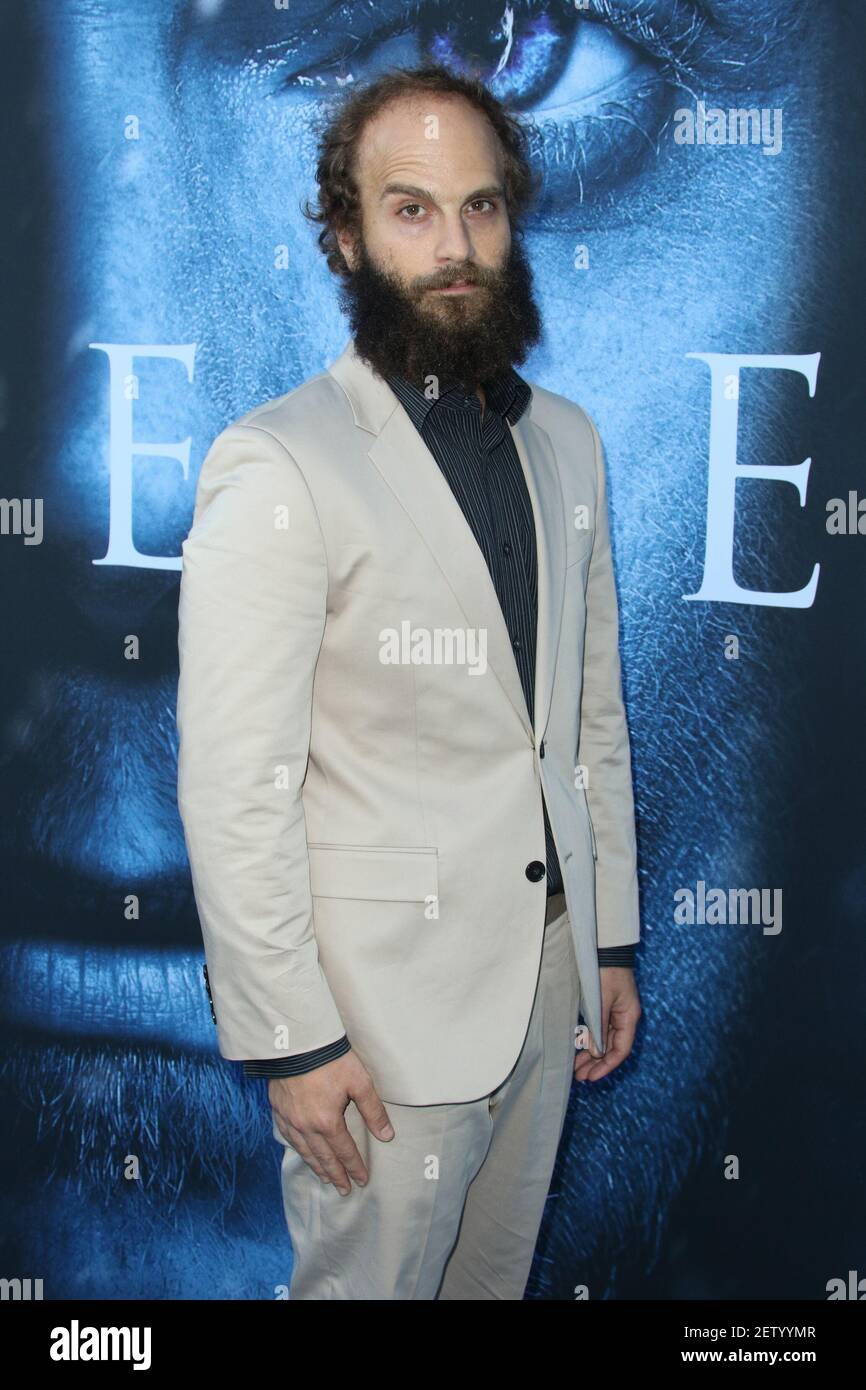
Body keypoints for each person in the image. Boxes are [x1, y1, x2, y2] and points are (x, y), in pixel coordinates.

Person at [176, 64, 641, 1300]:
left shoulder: (569, 443)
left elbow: (584, 715)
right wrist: (294, 1040)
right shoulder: (279, 462)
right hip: (377, 1027)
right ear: (345, 235)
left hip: (546, 993)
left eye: (480, 208)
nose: (455, 245)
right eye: (410, 209)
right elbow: (235, 785)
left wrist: (605, 933)